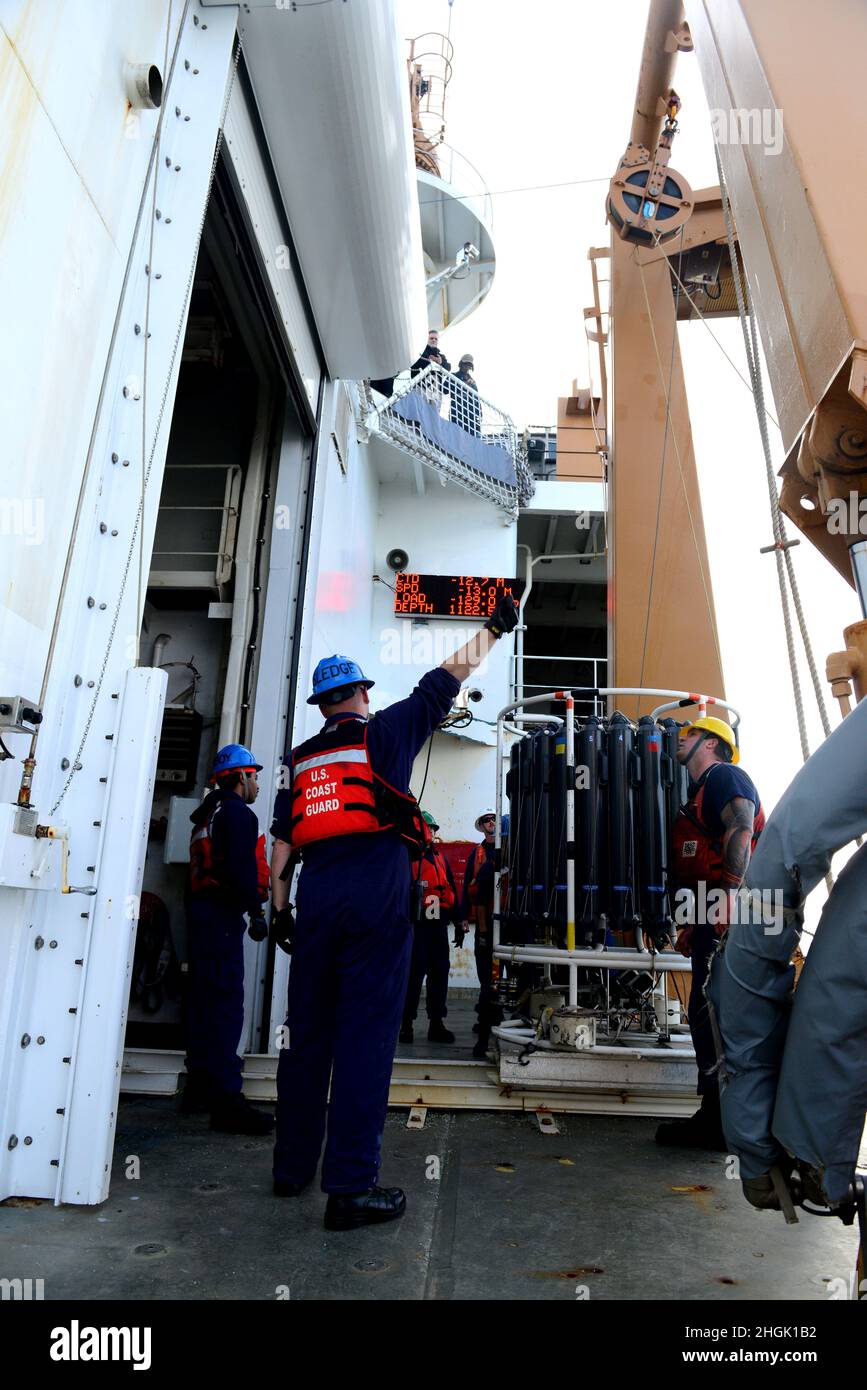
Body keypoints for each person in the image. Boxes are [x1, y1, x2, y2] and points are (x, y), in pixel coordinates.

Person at [270, 597, 519, 1230]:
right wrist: (493, 627)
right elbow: (446, 679)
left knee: (306, 1039)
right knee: (365, 1041)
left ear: (321, 705)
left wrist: (277, 910)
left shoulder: (300, 761)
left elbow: (282, 841)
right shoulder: (385, 733)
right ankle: (350, 1189)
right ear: (359, 695)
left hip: (315, 896)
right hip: (376, 893)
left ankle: (291, 1167)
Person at [655, 717, 764, 1150]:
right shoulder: (697, 793)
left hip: (728, 914)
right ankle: (717, 1115)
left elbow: (741, 823)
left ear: (711, 743)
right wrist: (696, 921)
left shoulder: (725, 776)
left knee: (714, 1014)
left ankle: (721, 1122)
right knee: (705, 1013)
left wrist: (727, 898)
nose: (680, 739)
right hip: (711, 916)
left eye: (689, 734)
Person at [184, 744, 275, 1136]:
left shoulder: (206, 815)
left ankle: (199, 1088)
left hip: (201, 915)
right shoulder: (238, 814)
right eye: (253, 776)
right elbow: (239, 868)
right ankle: (227, 1103)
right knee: (225, 1007)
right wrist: (255, 910)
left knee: (203, 1003)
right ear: (240, 777)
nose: (256, 783)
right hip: (221, 915)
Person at [400, 810, 462, 1045]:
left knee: (439, 974)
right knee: (413, 976)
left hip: (438, 928)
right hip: (416, 927)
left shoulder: (440, 859)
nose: (431, 833)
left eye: (434, 829)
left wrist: (458, 921)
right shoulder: (407, 858)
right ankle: (406, 1023)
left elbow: (451, 891)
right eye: (428, 828)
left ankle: (437, 1023)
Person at [461, 807, 498, 1059]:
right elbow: (467, 886)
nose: (491, 823)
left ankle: (500, 1016)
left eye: (494, 819)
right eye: (486, 820)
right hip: (485, 926)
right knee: (487, 980)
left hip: (508, 926)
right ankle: (484, 1023)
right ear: (482, 826)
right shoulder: (478, 854)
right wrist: (464, 917)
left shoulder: (511, 850)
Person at [450, 354, 481, 436]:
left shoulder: (473, 381)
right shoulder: (453, 376)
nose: (467, 367)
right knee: (457, 438)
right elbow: (445, 389)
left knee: (474, 441)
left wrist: (479, 413)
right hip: (458, 412)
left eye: (469, 365)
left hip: (472, 416)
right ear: (461, 364)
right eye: (465, 364)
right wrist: (463, 385)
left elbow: (477, 398)